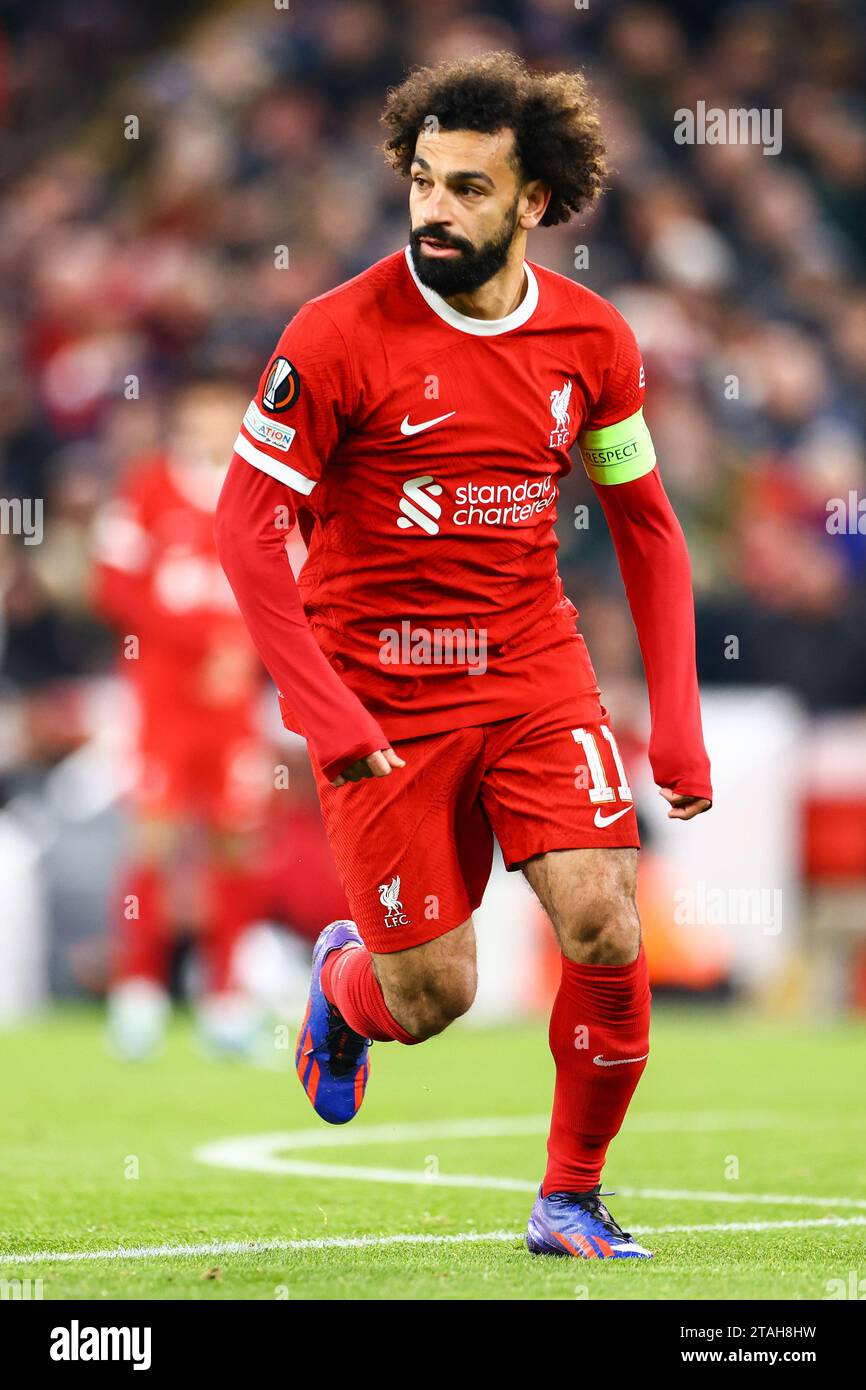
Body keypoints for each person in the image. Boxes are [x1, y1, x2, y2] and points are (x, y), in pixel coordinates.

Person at [215, 52, 712, 1260]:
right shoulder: (334, 336)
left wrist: (677, 718)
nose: (435, 209)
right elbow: (241, 526)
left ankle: (568, 1197)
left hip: (531, 666)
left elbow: (644, 525)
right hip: (379, 694)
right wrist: (319, 705)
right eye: (423, 183)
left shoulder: (592, 342)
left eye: (468, 189)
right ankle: (342, 994)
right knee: (433, 996)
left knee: (601, 919)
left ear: (533, 200)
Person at [94, 378, 267, 1058]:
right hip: (162, 701)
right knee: (155, 839)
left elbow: (292, 586)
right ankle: (137, 993)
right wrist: (202, 643)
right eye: (201, 407)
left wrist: (246, 651)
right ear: (183, 415)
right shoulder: (145, 488)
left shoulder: (263, 492)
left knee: (236, 842)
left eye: (225, 409)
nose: (212, 420)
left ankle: (225, 998)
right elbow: (112, 586)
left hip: (231, 709)